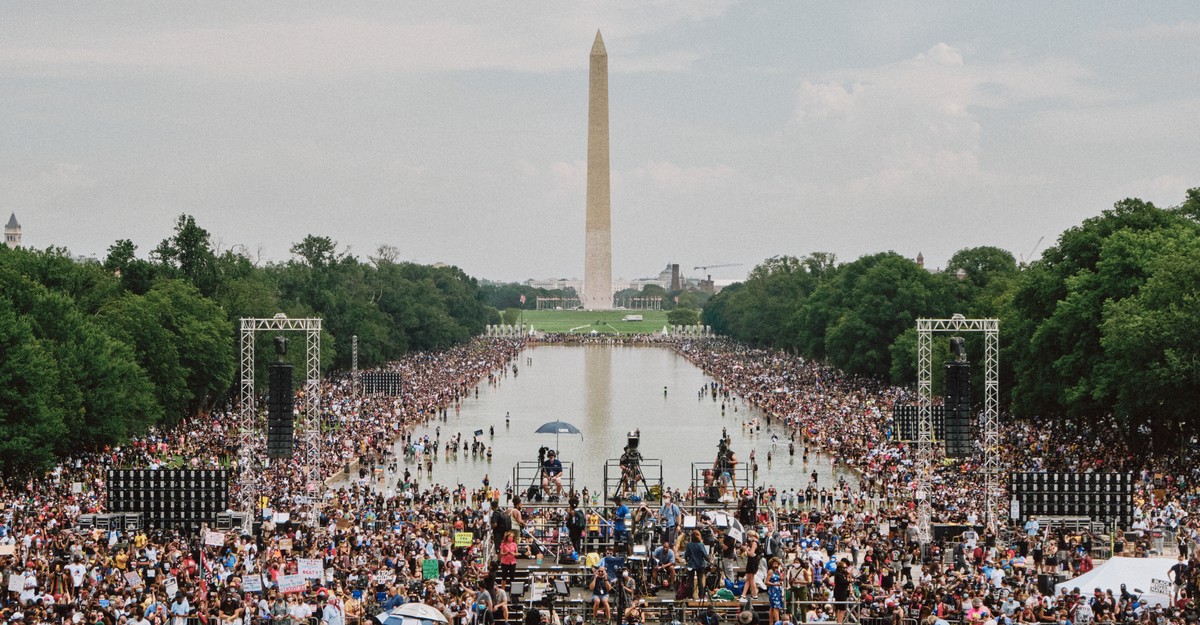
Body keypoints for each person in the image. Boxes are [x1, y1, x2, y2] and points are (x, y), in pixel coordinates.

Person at [685, 530, 709, 600]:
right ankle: (701, 596)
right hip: (700, 564)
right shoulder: (701, 545)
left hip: (691, 564)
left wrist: (687, 561)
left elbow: (686, 555)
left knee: (691, 581)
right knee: (700, 580)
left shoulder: (689, 544)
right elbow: (705, 555)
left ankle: (690, 596)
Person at [766, 558, 784, 625]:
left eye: (777, 564)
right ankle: (777, 622)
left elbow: (781, 579)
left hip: (778, 590)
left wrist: (779, 572)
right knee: (776, 607)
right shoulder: (770, 571)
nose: (776, 565)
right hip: (773, 590)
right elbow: (767, 582)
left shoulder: (777, 571)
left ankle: (771, 622)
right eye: (775, 564)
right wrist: (775, 584)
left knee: (772, 607)